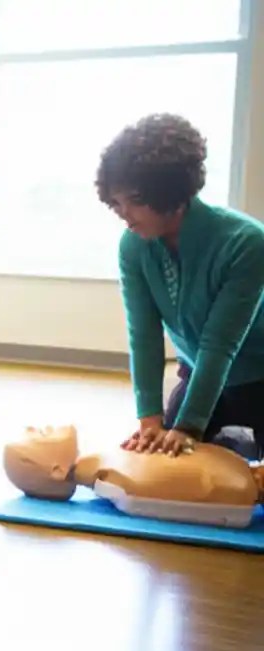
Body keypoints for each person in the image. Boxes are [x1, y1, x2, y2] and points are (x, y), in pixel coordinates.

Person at [103, 113, 264, 459]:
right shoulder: (132, 245)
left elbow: (220, 344)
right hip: (202, 376)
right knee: (165, 459)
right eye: (117, 202)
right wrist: (150, 421)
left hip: (257, 374)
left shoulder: (247, 242)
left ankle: (238, 444)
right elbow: (143, 336)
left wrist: (188, 427)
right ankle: (230, 443)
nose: (123, 213)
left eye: (135, 200)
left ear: (171, 190)